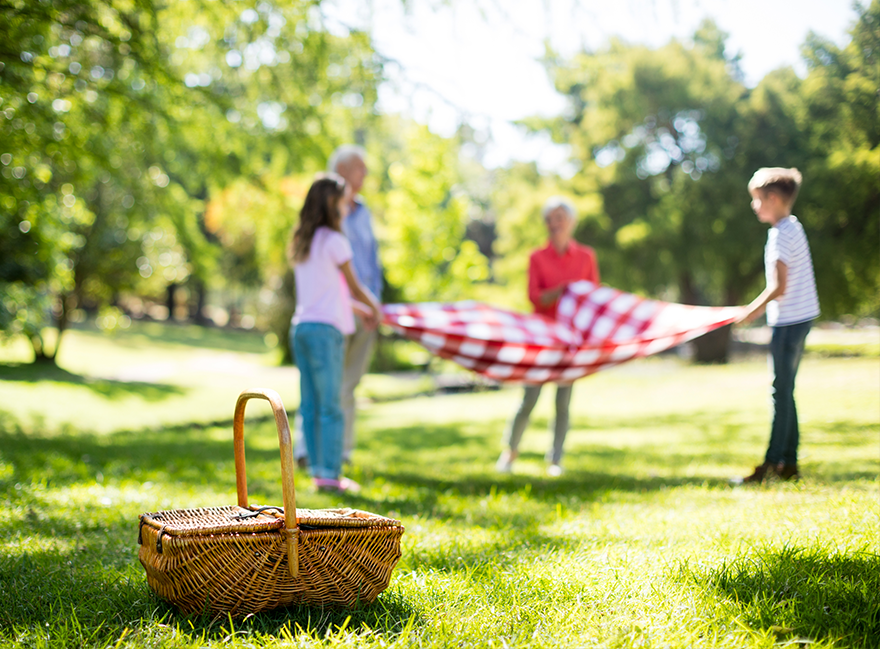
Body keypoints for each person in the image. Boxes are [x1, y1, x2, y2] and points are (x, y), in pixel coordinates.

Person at [289, 174, 381, 493]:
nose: (347, 206)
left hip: (301, 328)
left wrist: (361, 310)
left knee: (312, 404)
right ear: (332, 204)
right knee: (331, 404)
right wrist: (375, 307)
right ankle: (330, 476)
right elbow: (354, 286)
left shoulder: (303, 241)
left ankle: (319, 471)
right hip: (326, 333)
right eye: (344, 200)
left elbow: (329, 292)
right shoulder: (336, 241)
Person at [496, 196, 600, 476]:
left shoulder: (586, 257)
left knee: (563, 403)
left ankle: (556, 460)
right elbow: (534, 297)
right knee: (529, 398)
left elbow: (594, 296)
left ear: (571, 222)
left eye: (560, 219)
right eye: (550, 219)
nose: (554, 225)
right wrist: (562, 290)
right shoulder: (537, 257)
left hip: (571, 340)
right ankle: (510, 451)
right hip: (542, 338)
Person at [736, 167, 820, 484]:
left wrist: (750, 312)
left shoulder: (781, 234)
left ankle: (773, 464)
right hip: (801, 319)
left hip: (788, 323)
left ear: (772, 199)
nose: (754, 206)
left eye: (757, 200)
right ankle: (789, 464)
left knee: (780, 392)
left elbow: (779, 287)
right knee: (786, 391)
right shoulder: (793, 227)